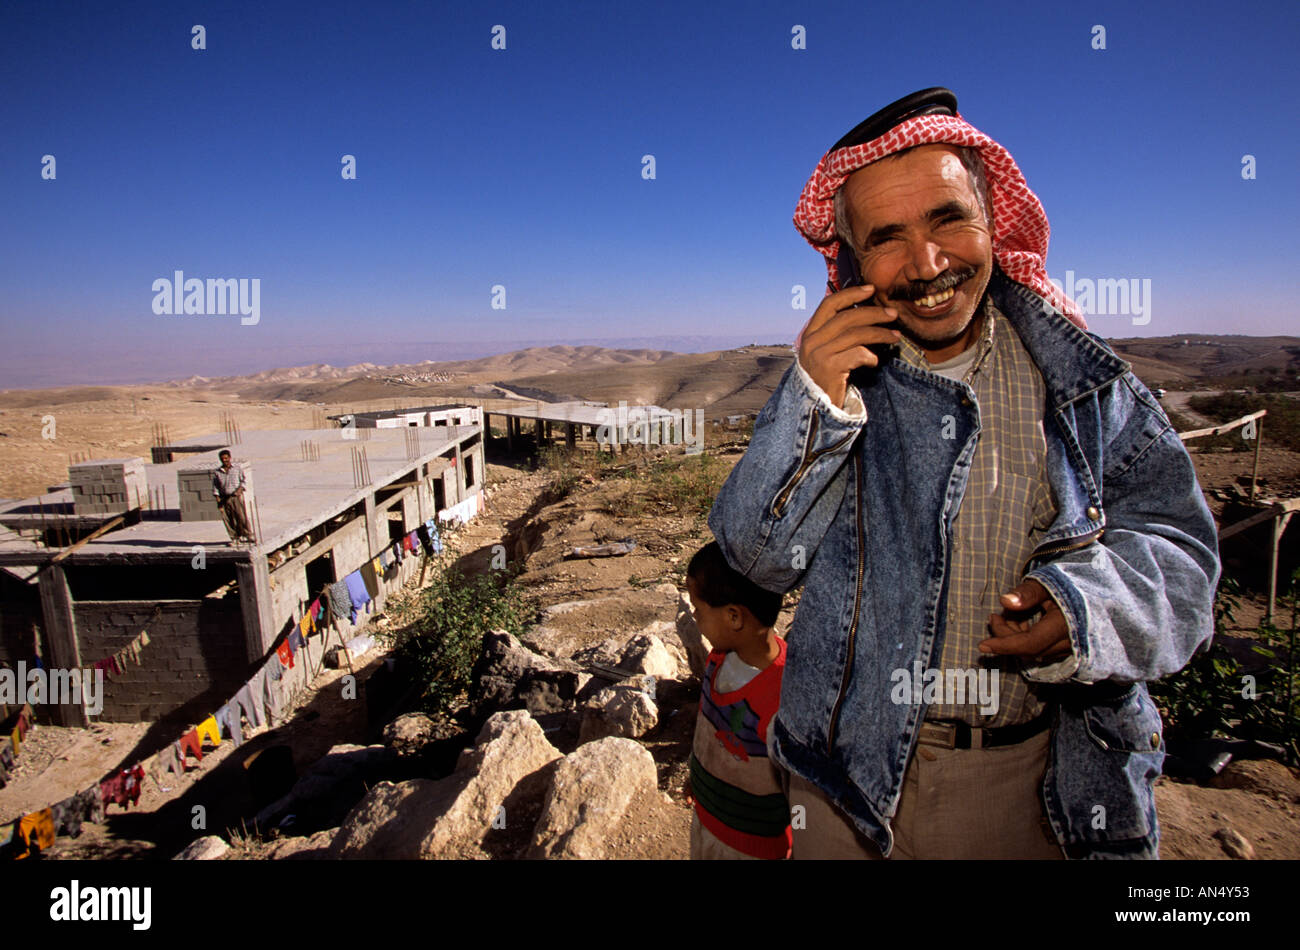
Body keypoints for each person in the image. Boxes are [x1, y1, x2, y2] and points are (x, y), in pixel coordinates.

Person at [707, 88, 1219, 859]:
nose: (928, 264)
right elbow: (754, 561)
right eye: (888, 237)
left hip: (1023, 787)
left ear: (993, 220)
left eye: (949, 219)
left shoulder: (1080, 386)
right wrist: (813, 404)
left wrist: (1082, 608)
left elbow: (1183, 560)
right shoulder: (842, 384)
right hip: (838, 783)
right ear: (852, 260)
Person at [684, 541, 791, 860]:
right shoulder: (718, 660)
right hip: (707, 823)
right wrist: (697, 779)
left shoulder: (783, 696)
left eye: (698, 609)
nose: (693, 615)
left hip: (753, 849)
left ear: (733, 617)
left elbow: (798, 789)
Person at [213, 449, 254, 543]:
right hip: (224, 498)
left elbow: (243, 481)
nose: (224, 460)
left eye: (226, 458)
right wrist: (218, 500)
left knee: (241, 517)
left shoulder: (237, 469)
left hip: (235, 497)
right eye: (222, 459)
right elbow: (216, 487)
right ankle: (235, 537)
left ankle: (248, 535)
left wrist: (239, 491)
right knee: (229, 519)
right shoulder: (217, 472)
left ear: (230, 458)